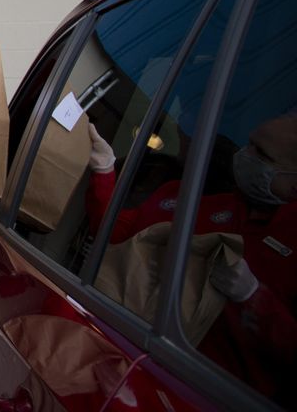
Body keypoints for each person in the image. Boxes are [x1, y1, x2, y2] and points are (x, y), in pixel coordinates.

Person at [86, 115, 297, 402]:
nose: (246, 157)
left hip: (213, 397)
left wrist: (255, 298)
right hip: (134, 367)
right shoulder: (201, 204)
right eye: (249, 145)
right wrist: (104, 171)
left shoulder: (289, 240)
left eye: (263, 155)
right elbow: (119, 241)